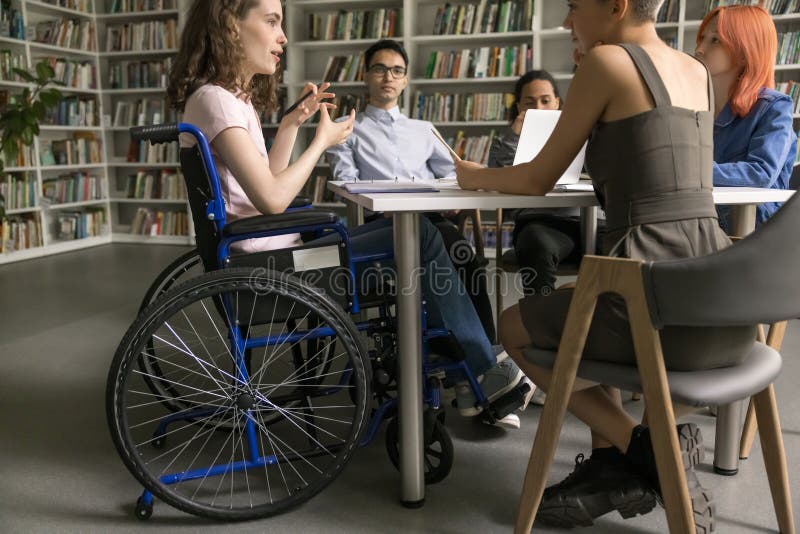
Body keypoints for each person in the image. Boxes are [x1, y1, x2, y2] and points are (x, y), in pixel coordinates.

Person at [456, 0, 758, 528]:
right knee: (591, 303)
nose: (567, 21)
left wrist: (471, 175)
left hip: (654, 300)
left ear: (615, 7)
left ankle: (643, 448)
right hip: (721, 305)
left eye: (573, 7)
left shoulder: (606, 63)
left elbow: (534, 180)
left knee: (514, 327)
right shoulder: (698, 70)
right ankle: (613, 464)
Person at [166, 0, 522, 428]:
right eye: (272, 21)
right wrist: (322, 142)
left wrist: (293, 124)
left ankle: (462, 364)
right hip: (273, 268)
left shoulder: (224, 100)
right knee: (423, 238)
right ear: (230, 27)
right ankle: (480, 368)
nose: (283, 36)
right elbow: (273, 199)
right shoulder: (218, 102)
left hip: (272, 256)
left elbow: (267, 180)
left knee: (425, 238)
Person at [325, 40, 516, 420]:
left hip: (432, 220)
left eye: (396, 70)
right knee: (450, 247)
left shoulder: (424, 129)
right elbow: (345, 181)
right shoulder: (348, 129)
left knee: (468, 261)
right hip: (385, 226)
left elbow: (456, 174)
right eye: (379, 69)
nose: (388, 77)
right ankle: (476, 377)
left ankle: (471, 376)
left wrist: (452, 190)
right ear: (365, 75)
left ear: (406, 79)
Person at [695, 4, 797, 234]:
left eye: (714, 40)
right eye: (701, 38)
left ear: (743, 52)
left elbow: (759, 173)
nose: (699, 48)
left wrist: (692, 170)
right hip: (705, 228)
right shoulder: (695, 103)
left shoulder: (774, 107)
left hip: (754, 237)